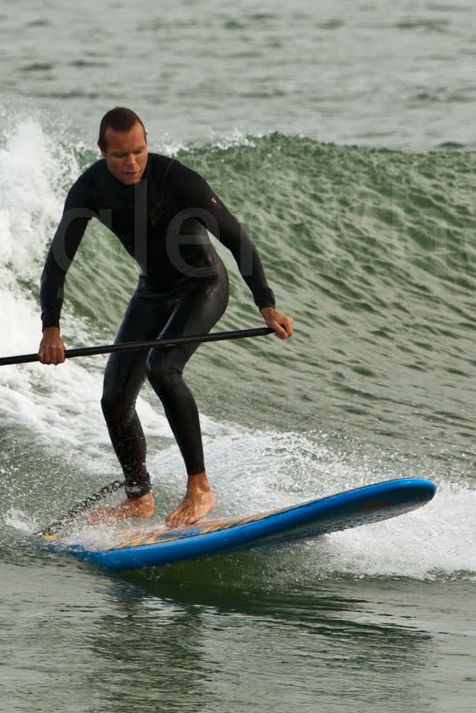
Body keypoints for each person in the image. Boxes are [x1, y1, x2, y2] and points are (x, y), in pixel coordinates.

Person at [37, 107, 294, 527]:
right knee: (114, 397)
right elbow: (56, 264)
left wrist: (265, 303)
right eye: (120, 155)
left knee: (163, 366)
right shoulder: (90, 189)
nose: (131, 162)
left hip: (202, 285)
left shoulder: (177, 178)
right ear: (102, 151)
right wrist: (51, 328)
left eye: (138, 151)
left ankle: (200, 488)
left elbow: (235, 237)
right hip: (152, 291)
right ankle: (139, 496)